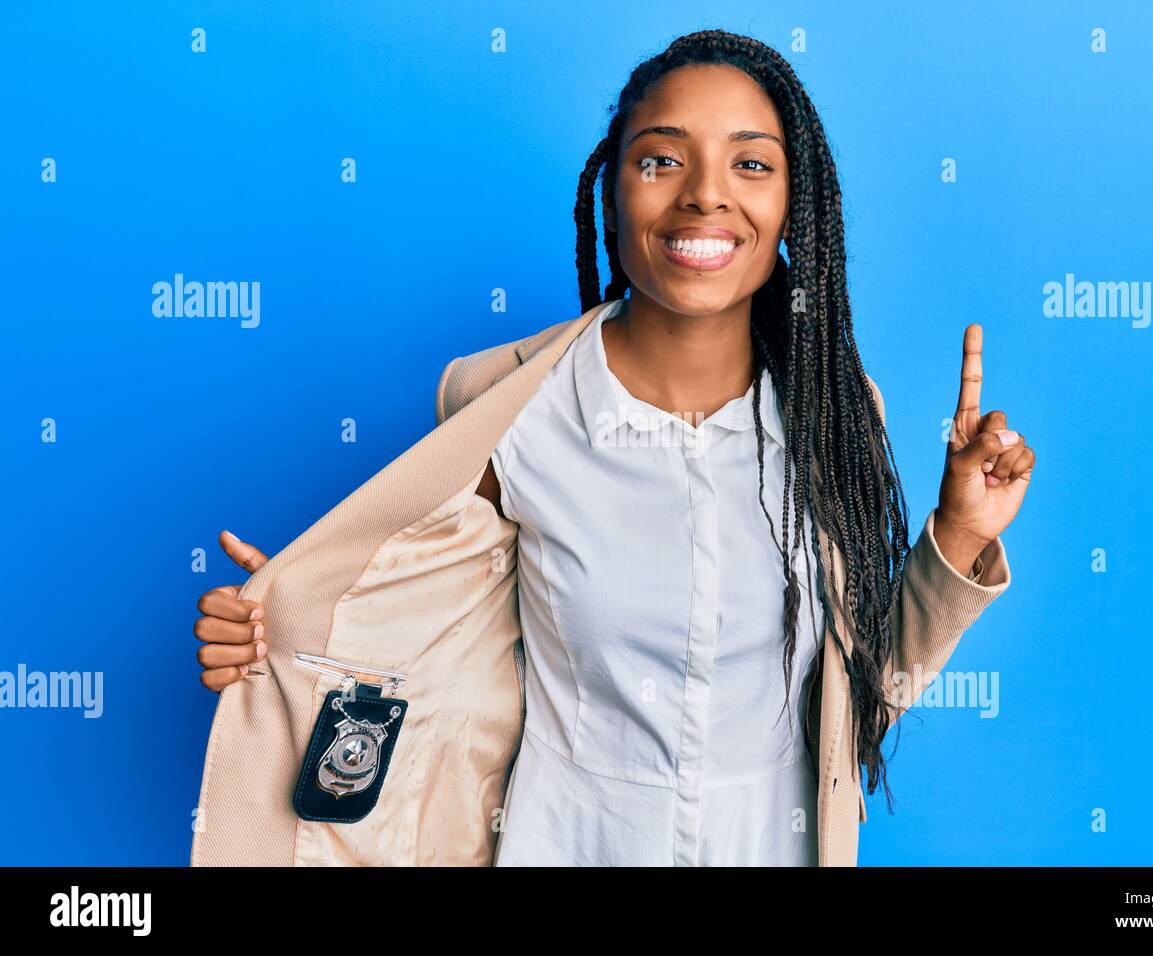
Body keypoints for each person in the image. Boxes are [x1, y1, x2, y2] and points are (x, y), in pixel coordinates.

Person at [191, 30, 1033, 866]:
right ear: (613, 186)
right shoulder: (505, 409)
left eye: (750, 163)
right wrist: (286, 625)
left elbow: (863, 698)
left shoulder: (837, 417)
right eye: (662, 160)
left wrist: (957, 537)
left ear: (794, 204)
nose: (706, 196)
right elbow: (409, 636)